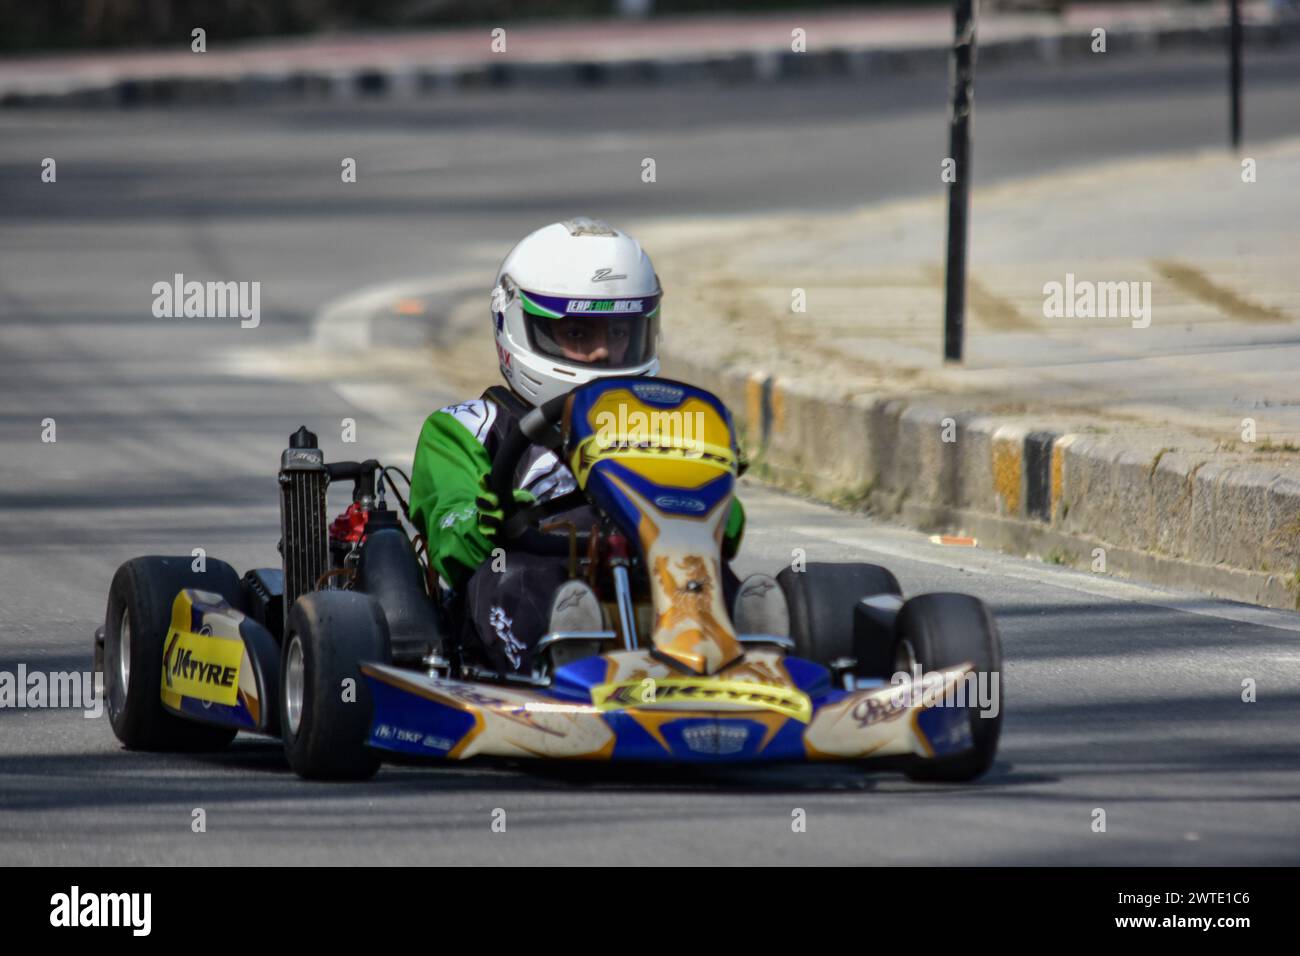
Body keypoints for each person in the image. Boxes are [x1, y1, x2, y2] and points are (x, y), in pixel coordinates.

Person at [408, 218, 745, 675]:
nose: (604, 353)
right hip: (528, 571)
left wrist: (712, 500)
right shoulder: (465, 428)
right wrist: (487, 520)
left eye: (619, 333)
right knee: (514, 576)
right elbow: (450, 532)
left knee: (710, 576)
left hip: (656, 568)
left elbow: (728, 531)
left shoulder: (663, 421)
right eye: (580, 334)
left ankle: (754, 646)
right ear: (519, 326)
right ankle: (565, 658)